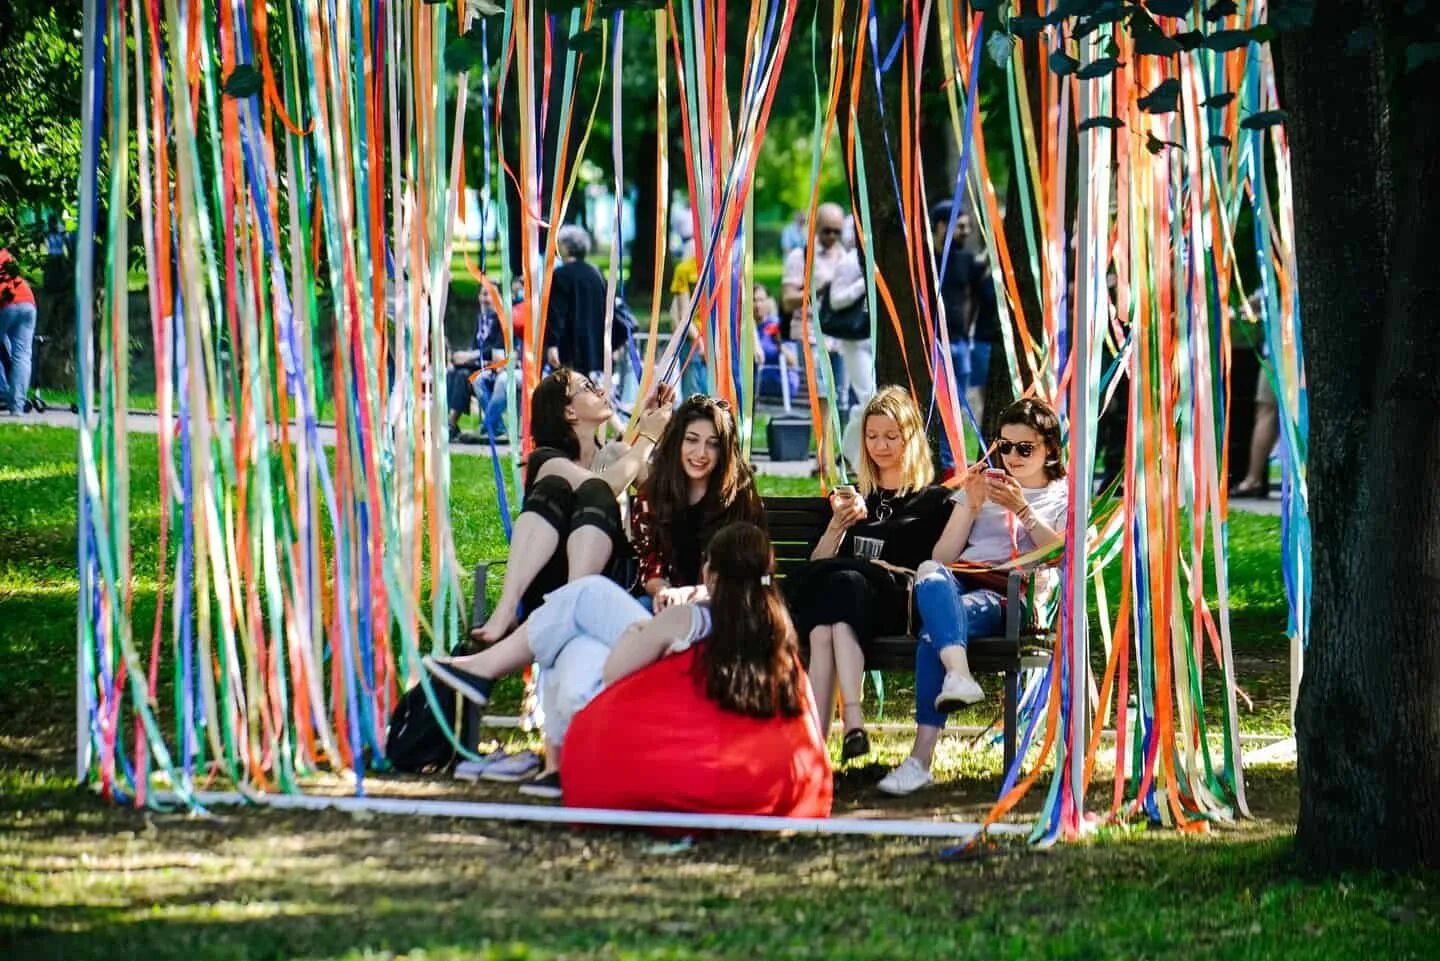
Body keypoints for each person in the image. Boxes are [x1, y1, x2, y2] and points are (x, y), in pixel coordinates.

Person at [424, 522, 831, 816]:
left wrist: (642, 632)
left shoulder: (689, 620)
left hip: (636, 719)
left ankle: (490, 680)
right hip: (755, 775)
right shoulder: (777, 632)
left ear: (710, 573)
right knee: (578, 618)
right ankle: (500, 697)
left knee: (581, 618)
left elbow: (618, 670)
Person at [877, 397, 1069, 796]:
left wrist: (1022, 510)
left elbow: (1062, 557)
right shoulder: (983, 485)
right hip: (956, 583)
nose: (1012, 456)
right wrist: (970, 506)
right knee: (930, 572)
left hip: (1007, 596)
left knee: (935, 633)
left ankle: (920, 760)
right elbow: (942, 558)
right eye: (1004, 446)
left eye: (1025, 448)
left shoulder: (1061, 496)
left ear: (1050, 448)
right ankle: (959, 673)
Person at [785, 387, 954, 761]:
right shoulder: (853, 495)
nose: (881, 446)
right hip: (843, 607)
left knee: (841, 589)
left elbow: (933, 568)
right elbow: (815, 567)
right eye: (873, 436)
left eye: (892, 436)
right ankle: (839, 737)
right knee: (827, 622)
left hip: (895, 607)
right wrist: (837, 528)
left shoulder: (932, 501)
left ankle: (816, 739)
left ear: (910, 439)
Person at [467, 368, 674, 645]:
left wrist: (659, 431)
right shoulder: (548, 460)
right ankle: (508, 609)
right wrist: (646, 438)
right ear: (569, 413)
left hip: (613, 580)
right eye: (587, 387)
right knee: (561, 488)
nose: (601, 390)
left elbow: (666, 496)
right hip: (553, 583)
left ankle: (569, 612)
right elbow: (603, 487)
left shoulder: (618, 454)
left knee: (600, 482)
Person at [630, 395, 765, 610]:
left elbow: (748, 573)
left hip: (725, 605)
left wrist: (693, 594)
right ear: (677, 442)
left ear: (724, 451)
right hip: (668, 601)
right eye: (692, 440)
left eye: (713, 444)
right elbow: (650, 565)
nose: (701, 453)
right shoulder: (653, 494)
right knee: (642, 609)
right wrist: (664, 592)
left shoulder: (740, 495)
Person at [781, 202, 848, 481]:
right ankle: (824, 461)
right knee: (821, 396)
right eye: (827, 231)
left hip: (840, 336)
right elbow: (787, 300)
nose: (832, 237)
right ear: (815, 228)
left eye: (837, 231)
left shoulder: (845, 255)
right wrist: (820, 290)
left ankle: (836, 456)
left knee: (840, 397)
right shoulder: (801, 256)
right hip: (810, 332)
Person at [545, 225, 611, 382]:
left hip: (570, 345)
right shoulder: (596, 273)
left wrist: (552, 344)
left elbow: (557, 312)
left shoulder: (561, 274)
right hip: (596, 345)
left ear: (566, 247)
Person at [1231, 295, 1277, 499]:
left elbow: (1251, 303)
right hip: (1289, 350)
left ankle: (1253, 479)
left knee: (1266, 412)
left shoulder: (1282, 272)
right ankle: (1253, 478)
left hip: (1279, 352)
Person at [445, 289, 506, 442]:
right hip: (478, 363)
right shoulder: (482, 317)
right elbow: (475, 347)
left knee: (464, 375)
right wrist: (464, 357)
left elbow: (496, 350)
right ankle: (450, 423)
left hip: (495, 365)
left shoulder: (502, 319)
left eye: (488, 295)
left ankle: (452, 423)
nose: (484, 299)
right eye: (482, 294)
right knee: (452, 372)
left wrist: (469, 356)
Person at [0, 249, 37, 417]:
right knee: (22, 355)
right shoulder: (6, 253)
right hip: (27, 301)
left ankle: (3, 391)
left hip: (4, 302)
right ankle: (17, 407)